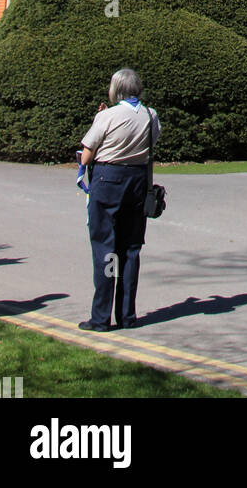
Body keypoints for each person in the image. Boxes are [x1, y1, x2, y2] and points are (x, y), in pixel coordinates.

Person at [77, 68, 160, 332]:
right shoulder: (151, 115)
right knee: (131, 248)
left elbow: (86, 157)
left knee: (105, 248)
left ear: (117, 89)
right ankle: (127, 315)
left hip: (108, 181)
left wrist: (98, 120)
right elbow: (151, 144)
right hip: (137, 182)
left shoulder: (107, 116)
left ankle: (100, 318)